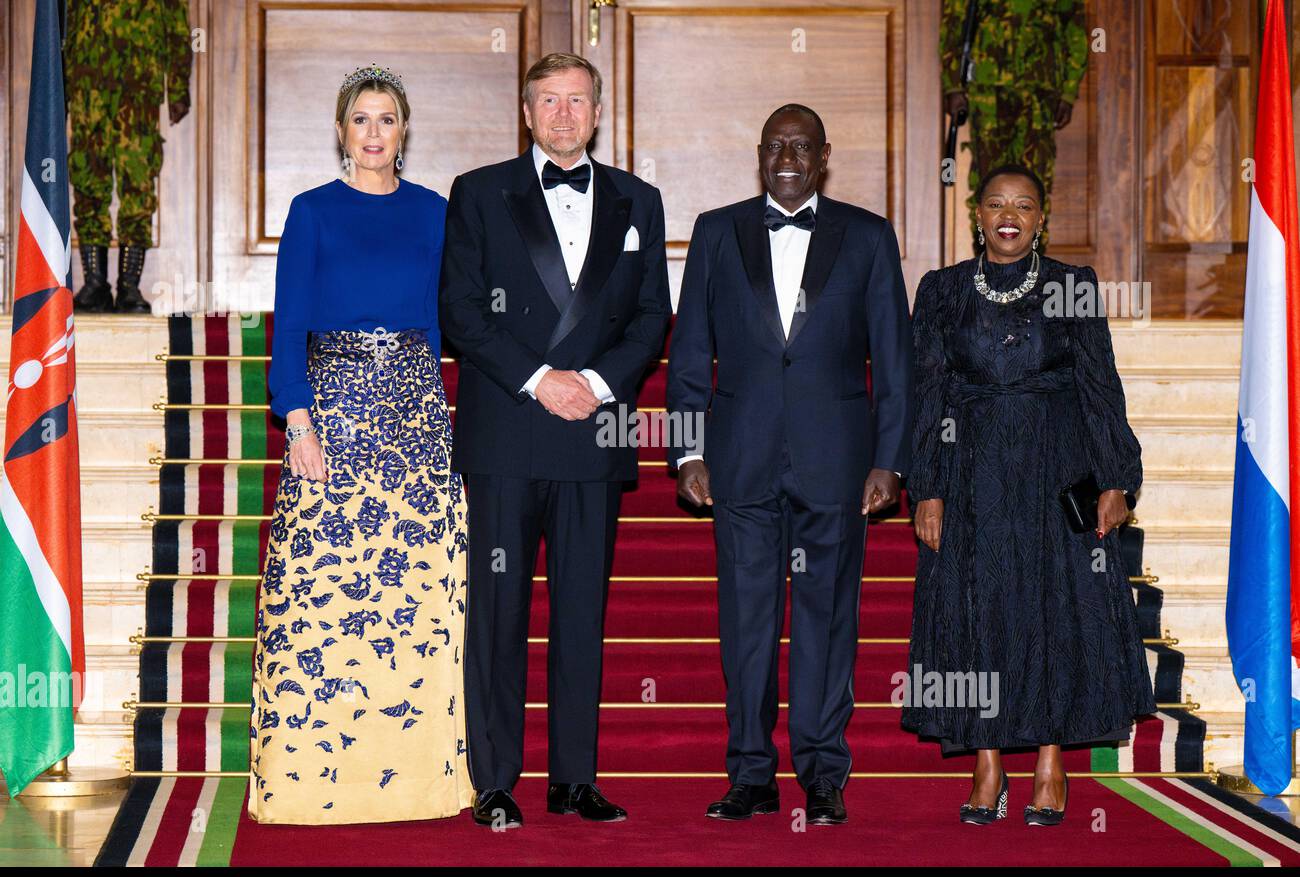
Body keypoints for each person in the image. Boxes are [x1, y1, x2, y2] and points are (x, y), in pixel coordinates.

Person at [439, 53, 671, 828]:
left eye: (577, 100)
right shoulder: (478, 193)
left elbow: (649, 317)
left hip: (592, 435)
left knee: (582, 614)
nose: (564, 113)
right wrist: (543, 378)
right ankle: (496, 781)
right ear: (527, 112)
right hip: (509, 429)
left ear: (598, 113)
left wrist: (598, 387)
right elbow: (461, 312)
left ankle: (575, 779)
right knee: (498, 613)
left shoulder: (641, 200)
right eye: (549, 100)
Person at [667, 104, 914, 826]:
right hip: (738, 462)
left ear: (823, 157)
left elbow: (894, 362)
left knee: (828, 620)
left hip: (837, 464)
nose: (787, 156)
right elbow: (688, 355)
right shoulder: (716, 232)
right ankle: (749, 773)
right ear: (759, 153)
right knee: (744, 623)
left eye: (801, 146)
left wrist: (889, 462)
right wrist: (688, 449)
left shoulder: (867, 237)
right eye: (776, 144)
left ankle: (823, 771)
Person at [247, 65, 473, 824]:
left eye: (387, 120)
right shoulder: (311, 212)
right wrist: (298, 418)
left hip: (413, 413)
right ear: (342, 132)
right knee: (324, 597)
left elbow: (449, 324)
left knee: (412, 596)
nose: (374, 133)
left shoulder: (438, 213)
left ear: (403, 131)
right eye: (361, 120)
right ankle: (314, 783)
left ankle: (420, 780)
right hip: (333, 415)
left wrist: (447, 415)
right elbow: (290, 326)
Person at [901, 163, 1156, 826]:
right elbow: (926, 396)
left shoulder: (1074, 286)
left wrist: (1117, 479)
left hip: (1062, 472)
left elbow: (1101, 387)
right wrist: (926, 486)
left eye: (1023, 205)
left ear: (1042, 218)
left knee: (1056, 607)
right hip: (970, 470)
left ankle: (1050, 760)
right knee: (977, 609)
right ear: (977, 215)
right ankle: (987, 761)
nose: (1008, 214)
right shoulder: (941, 291)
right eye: (995, 204)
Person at [66, 0, 193, 312]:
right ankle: (95, 282)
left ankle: (129, 285)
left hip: (137, 90)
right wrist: (60, 92)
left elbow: (177, 31)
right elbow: (62, 27)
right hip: (87, 87)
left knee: (138, 186)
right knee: (87, 182)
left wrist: (177, 89)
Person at [940, 0, 1089, 250]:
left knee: (1036, 179)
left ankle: (1035, 262)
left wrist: (1069, 91)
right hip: (988, 89)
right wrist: (953, 85)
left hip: (1039, 91)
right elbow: (954, 24)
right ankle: (985, 259)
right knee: (987, 179)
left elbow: (1075, 27)